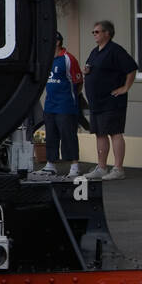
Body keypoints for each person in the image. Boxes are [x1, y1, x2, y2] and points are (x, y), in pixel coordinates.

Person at [83, 19, 139, 181]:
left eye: (97, 32)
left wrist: (125, 88)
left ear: (107, 33)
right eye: (93, 32)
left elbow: (131, 68)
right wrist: (87, 71)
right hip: (96, 102)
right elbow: (93, 68)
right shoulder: (95, 51)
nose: (94, 34)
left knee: (115, 133)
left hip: (112, 101)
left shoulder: (115, 50)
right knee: (100, 134)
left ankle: (118, 168)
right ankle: (101, 167)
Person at [31, 31, 83, 180]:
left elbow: (78, 81)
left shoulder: (68, 59)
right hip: (50, 105)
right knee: (51, 136)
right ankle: (50, 165)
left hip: (65, 106)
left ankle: (74, 166)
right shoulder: (47, 59)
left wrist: (71, 97)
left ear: (58, 42)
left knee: (68, 135)